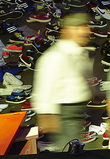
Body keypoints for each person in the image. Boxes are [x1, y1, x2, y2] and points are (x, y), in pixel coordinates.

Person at [32, 13, 93, 152]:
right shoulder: (55, 56)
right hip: (65, 113)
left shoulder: (79, 50)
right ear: (68, 31)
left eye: (86, 27)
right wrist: (46, 115)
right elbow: (44, 89)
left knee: (72, 147)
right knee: (68, 148)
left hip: (76, 112)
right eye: (81, 27)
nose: (86, 31)